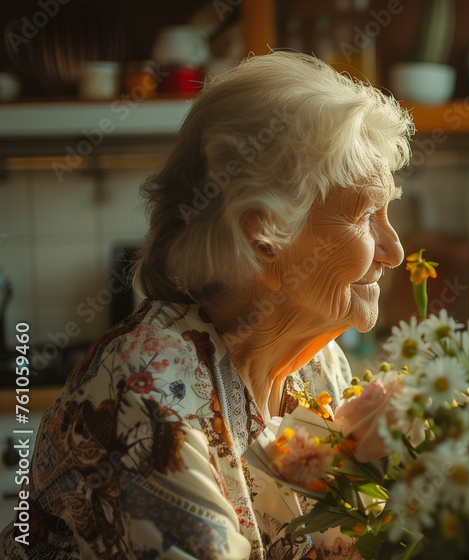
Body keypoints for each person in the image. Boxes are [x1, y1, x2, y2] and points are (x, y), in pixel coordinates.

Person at [0, 51, 412, 560]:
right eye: (366, 214)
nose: (394, 249)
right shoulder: (149, 384)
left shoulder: (317, 366)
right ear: (264, 237)